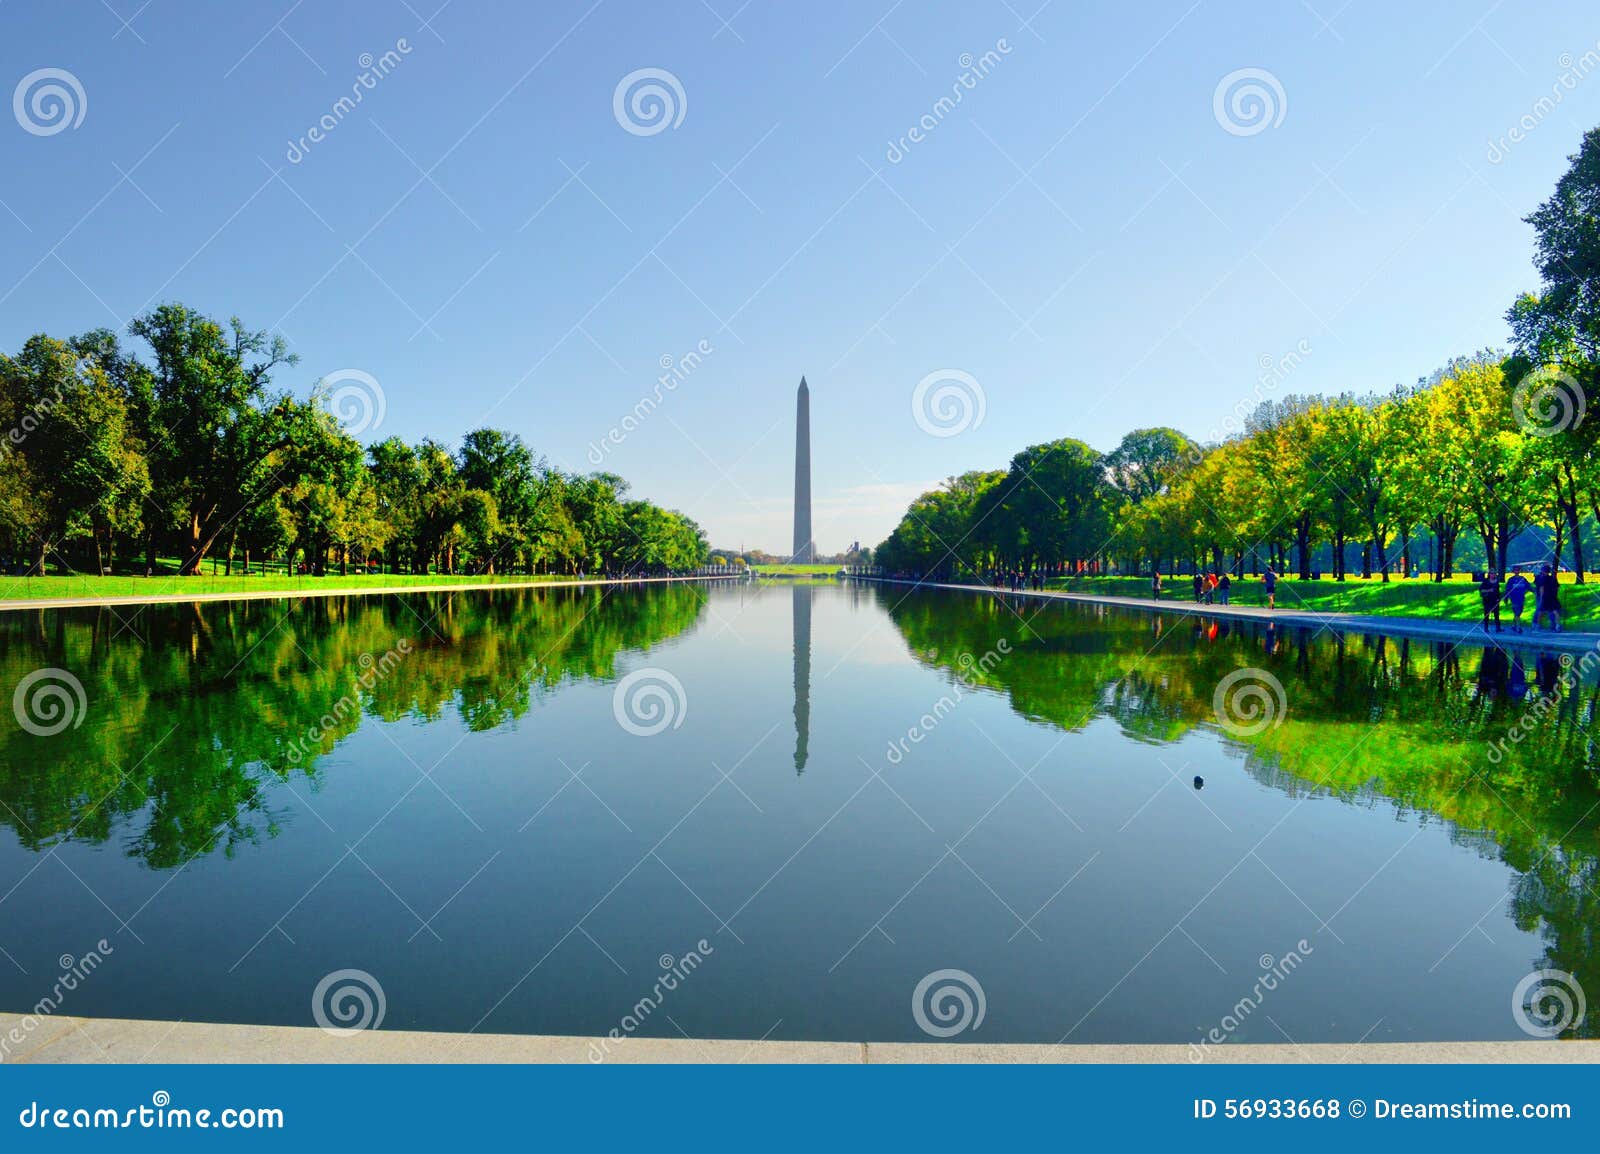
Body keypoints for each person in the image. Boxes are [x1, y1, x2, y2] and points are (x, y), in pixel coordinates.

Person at [1534, 564, 1562, 632]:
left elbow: (1541, 588)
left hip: (1545, 597)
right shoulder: (1553, 578)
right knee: (1555, 612)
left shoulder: (1543, 578)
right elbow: (1557, 587)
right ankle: (1557, 626)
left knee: (1541, 612)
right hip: (1553, 597)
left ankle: (1537, 626)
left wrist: (1541, 598)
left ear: (1543, 571)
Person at [1478, 568, 1503, 633]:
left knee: (1496, 614)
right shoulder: (1485, 581)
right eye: (1491, 573)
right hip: (1487, 600)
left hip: (1495, 600)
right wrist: (1489, 590)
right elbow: (1481, 590)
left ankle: (1498, 628)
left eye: (1494, 573)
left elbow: (1498, 591)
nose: (1493, 575)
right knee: (1487, 614)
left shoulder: (1497, 581)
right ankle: (1486, 628)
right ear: (1489, 574)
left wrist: (1499, 598)